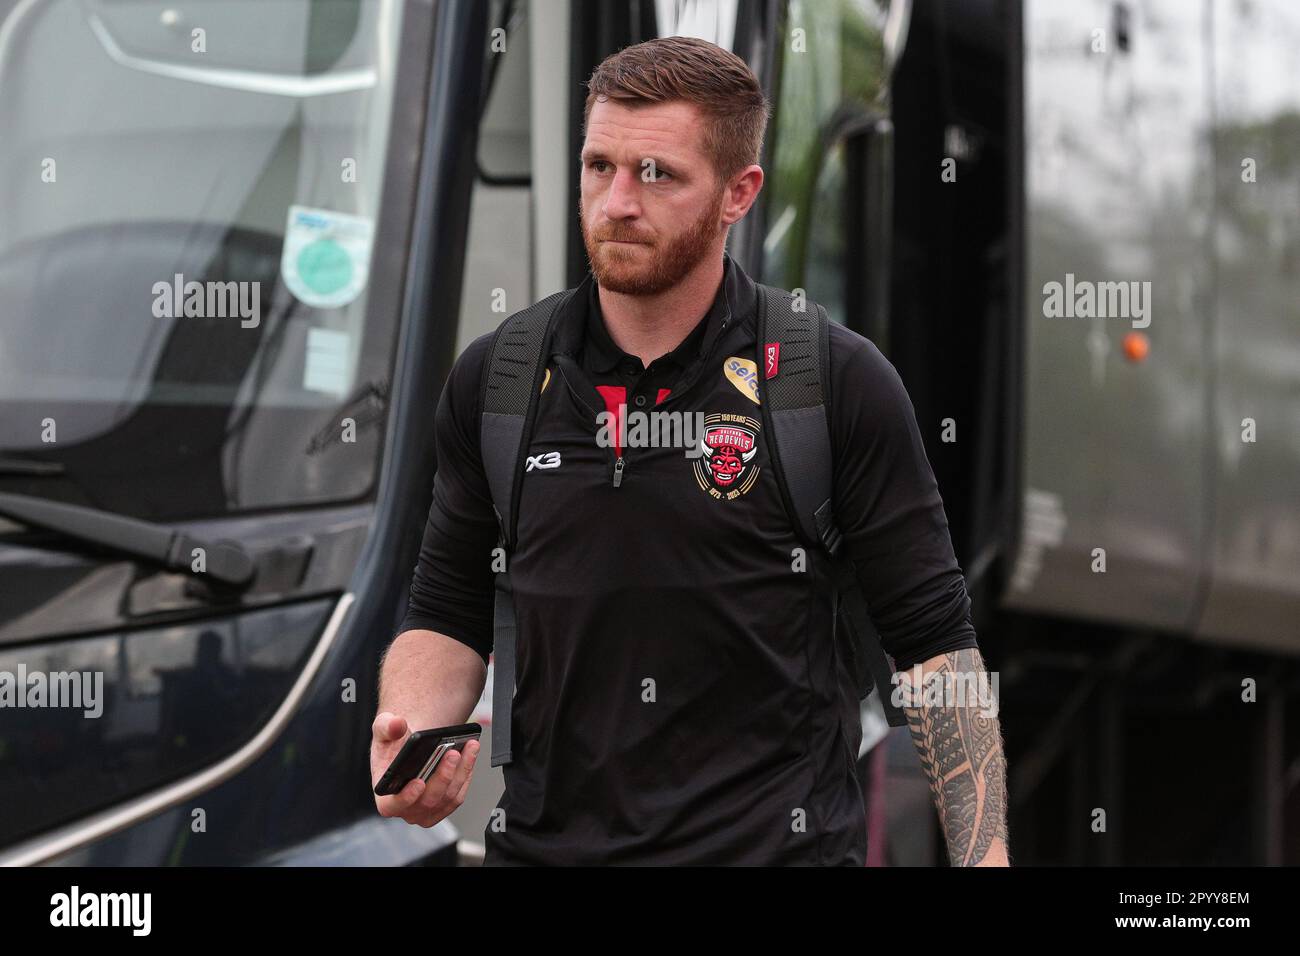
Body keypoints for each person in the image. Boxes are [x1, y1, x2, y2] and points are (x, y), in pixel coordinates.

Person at [371, 35, 1009, 866]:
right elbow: (447, 611)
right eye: (599, 166)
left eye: (657, 174)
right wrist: (414, 730)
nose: (617, 202)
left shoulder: (830, 383)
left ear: (738, 193)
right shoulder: (498, 380)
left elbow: (935, 648)